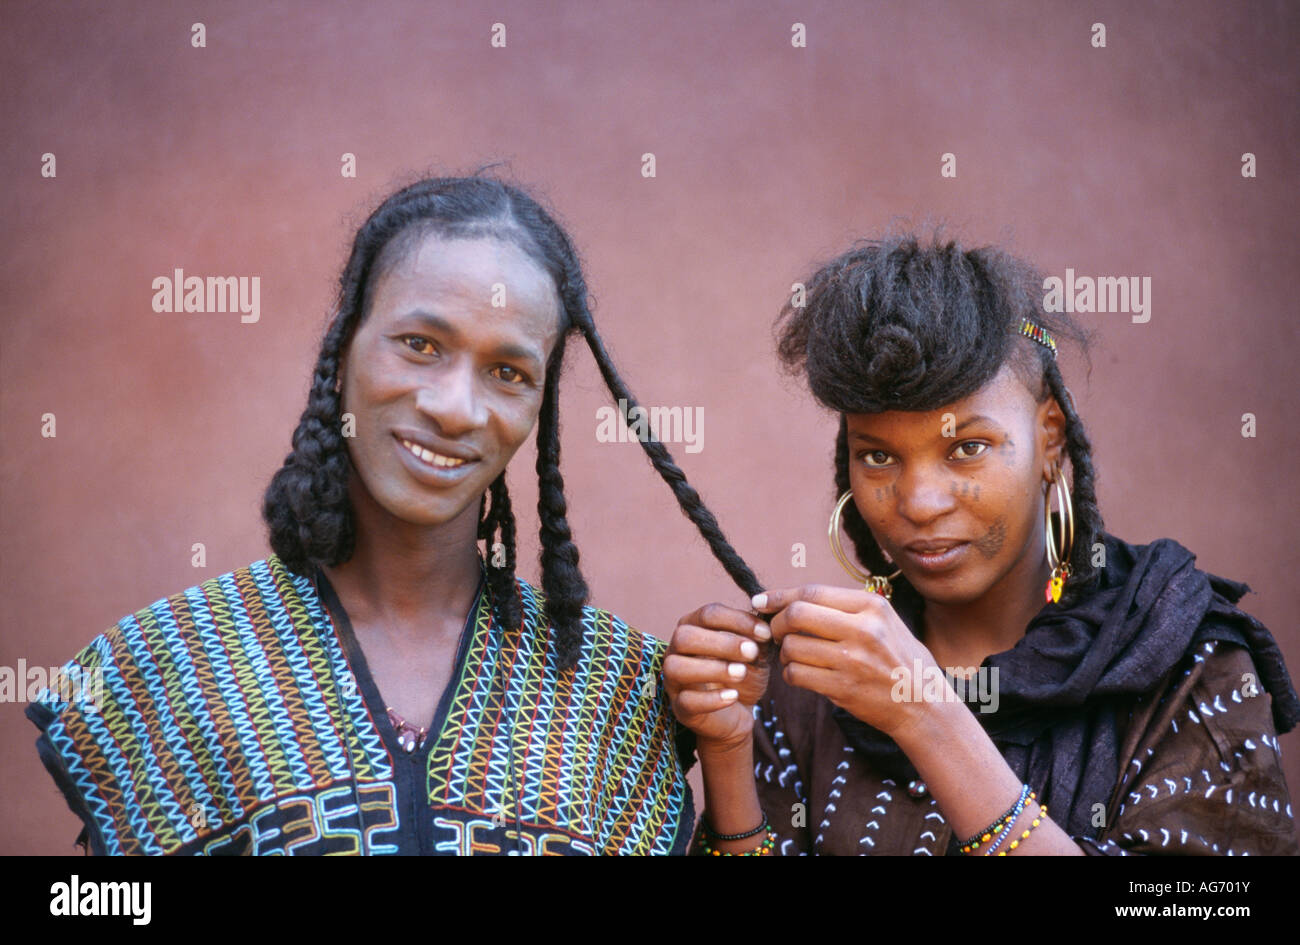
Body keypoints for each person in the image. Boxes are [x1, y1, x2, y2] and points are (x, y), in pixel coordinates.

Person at [26, 172, 762, 856]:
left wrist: (728, 760)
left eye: (508, 372)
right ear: (344, 346)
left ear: (539, 404)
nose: (453, 407)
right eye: (420, 344)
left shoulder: (617, 690)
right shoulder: (166, 666)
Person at [666, 233, 1300, 855]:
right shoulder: (813, 681)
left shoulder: (1182, 661)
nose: (919, 502)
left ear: (1051, 437)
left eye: (967, 448)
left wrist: (926, 716)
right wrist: (726, 753)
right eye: (879, 456)